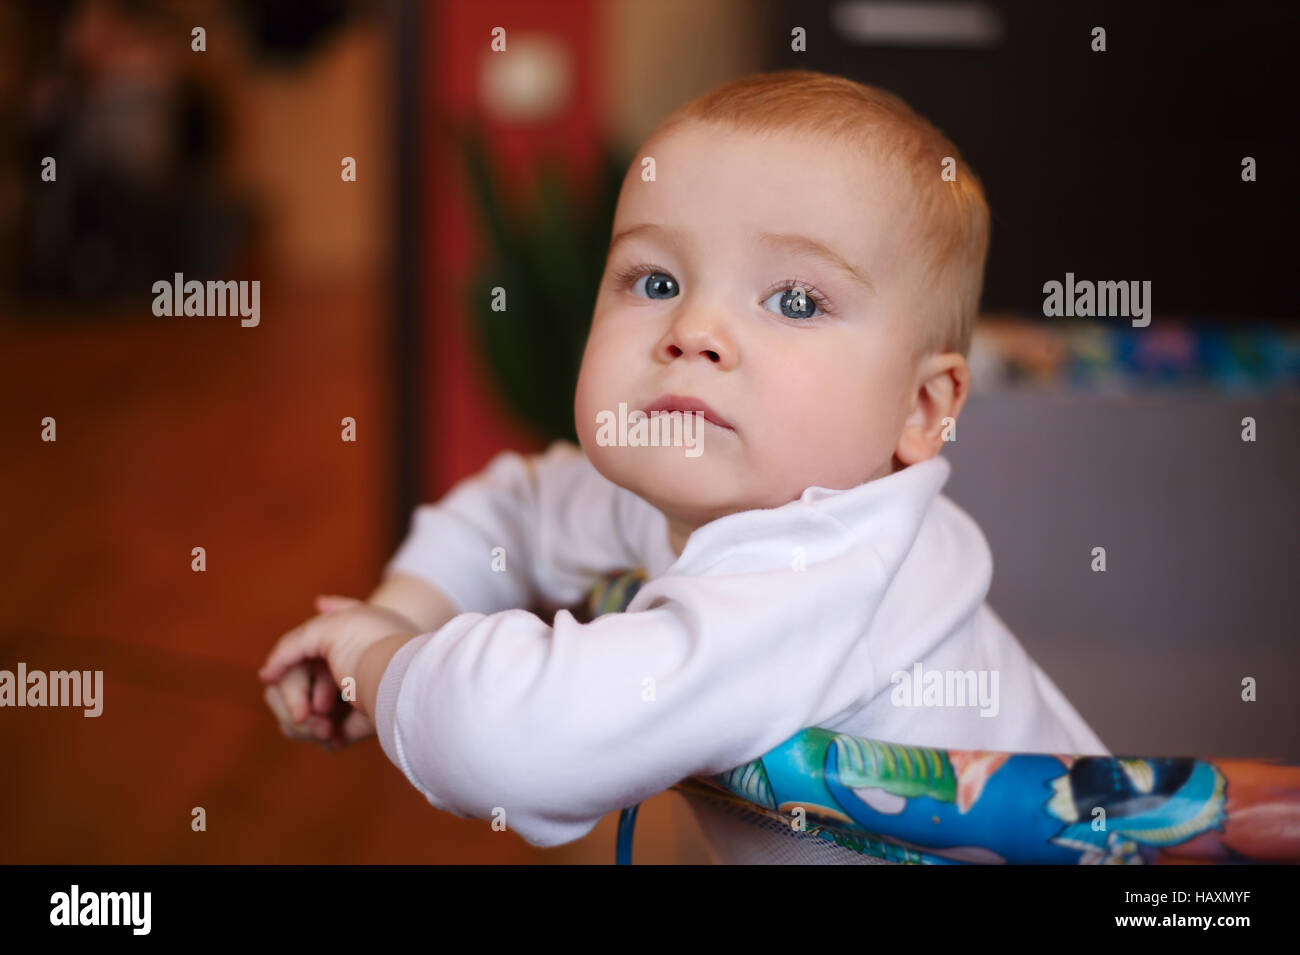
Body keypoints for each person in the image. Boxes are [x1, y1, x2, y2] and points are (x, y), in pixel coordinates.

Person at [259, 70, 1107, 863]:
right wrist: (399, 609)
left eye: (795, 301)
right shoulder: (689, 490)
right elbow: (518, 507)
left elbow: (517, 737)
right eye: (656, 280)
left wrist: (371, 659)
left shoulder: (827, 574)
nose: (695, 327)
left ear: (920, 411)